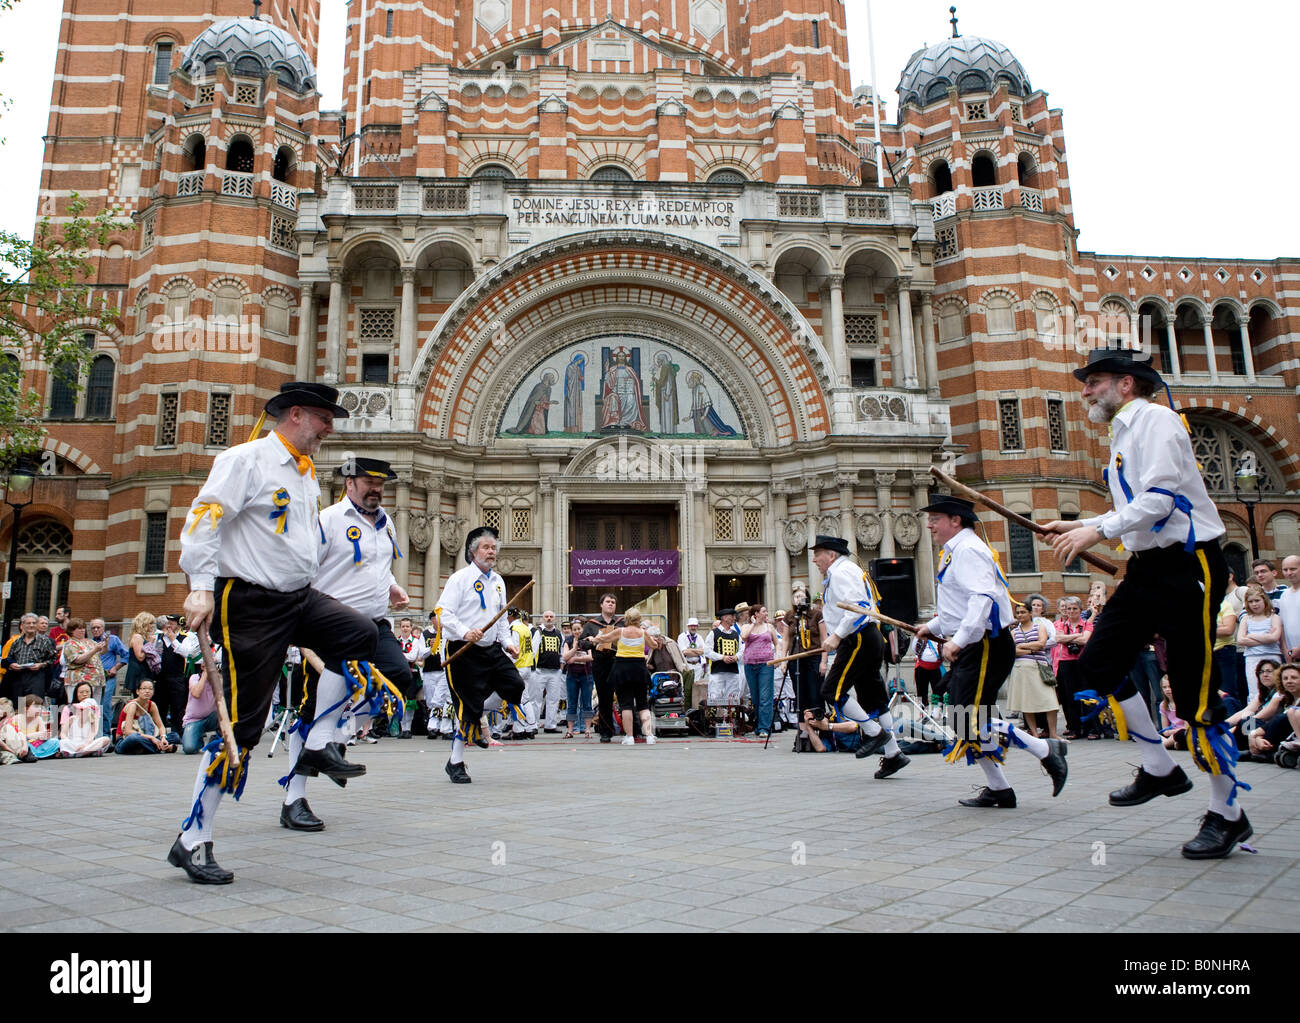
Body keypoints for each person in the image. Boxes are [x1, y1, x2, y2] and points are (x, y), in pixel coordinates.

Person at [169, 381, 380, 883]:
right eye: (325, 420)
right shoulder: (247, 460)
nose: (330, 430)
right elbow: (204, 518)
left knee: (362, 635)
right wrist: (200, 585)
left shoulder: (305, 474)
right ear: (299, 415)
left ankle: (316, 741)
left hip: (296, 599)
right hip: (250, 603)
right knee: (240, 726)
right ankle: (193, 838)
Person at [1046, 347, 1250, 858]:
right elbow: (1139, 506)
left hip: (1189, 568)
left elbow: (1161, 498)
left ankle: (1227, 815)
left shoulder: (1156, 420)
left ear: (1126, 385)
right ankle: (1161, 769)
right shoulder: (1123, 432)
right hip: (1147, 569)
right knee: (1095, 665)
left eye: (1094, 381)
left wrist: (1097, 529)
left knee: (1193, 696)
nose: (1086, 390)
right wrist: (1082, 525)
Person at [289, 455, 413, 829]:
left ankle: (336, 739)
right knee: (309, 716)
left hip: (374, 624)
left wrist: (391, 586)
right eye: (368, 482)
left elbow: (379, 565)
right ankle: (294, 799)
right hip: (331, 625)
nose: (376, 489)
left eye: (380, 484)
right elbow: (304, 570)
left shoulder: (387, 523)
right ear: (348, 483)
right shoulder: (327, 521)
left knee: (398, 677)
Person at [916, 500, 1067, 806]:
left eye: (935, 519)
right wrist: (931, 625)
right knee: (965, 720)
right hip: (975, 642)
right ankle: (1000, 789)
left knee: (967, 719)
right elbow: (960, 605)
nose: (929, 525)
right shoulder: (956, 551)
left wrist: (957, 640)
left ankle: (1045, 749)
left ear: (955, 520)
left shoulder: (969, 550)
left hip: (984, 643)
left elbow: (982, 599)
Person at [434, 525, 528, 783]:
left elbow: (499, 618)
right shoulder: (459, 579)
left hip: (491, 650)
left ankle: (478, 714)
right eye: (486, 547)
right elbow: (443, 613)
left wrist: (508, 641)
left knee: (515, 684)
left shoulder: (498, 581)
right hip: (462, 652)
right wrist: (466, 632)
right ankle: (456, 763)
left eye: (494, 547)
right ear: (473, 551)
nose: (491, 552)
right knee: (466, 707)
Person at [812, 535, 910, 780]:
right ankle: (893, 754)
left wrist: (836, 637)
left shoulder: (842, 572)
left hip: (857, 636)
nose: (814, 559)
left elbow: (857, 608)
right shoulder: (847, 571)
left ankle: (873, 732)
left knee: (831, 691)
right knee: (874, 697)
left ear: (832, 555)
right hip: (868, 637)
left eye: (818, 553)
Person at [598, 608, 660, 745]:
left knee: (626, 705)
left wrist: (594, 638)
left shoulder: (620, 631)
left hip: (622, 668)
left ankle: (630, 736)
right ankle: (649, 736)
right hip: (639, 668)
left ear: (626, 618)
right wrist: (656, 642)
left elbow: (604, 638)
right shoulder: (643, 633)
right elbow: (654, 645)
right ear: (639, 619)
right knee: (643, 704)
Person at [1007, 601, 1060, 740]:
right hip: (1021, 670)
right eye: (1017, 613)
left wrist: (1022, 646)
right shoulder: (1014, 632)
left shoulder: (1039, 627)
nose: (1020, 615)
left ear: (1030, 613)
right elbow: (1012, 651)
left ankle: (1053, 733)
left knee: (1050, 702)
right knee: (1027, 704)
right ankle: (1034, 734)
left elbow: (1041, 643)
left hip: (1039, 668)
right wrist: (1031, 648)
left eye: (1023, 612)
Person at [779, 587, 824, 744]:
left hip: (813, 656)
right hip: (796, 658)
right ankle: (803, 731)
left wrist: (824, 661)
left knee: (815, 693)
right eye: (796, 596)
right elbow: (785, 639)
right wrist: (784, 660)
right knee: (800, 694)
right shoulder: (790, 616)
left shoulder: (816, 615)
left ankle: (818, 727)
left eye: (802, 596)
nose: (799, 599)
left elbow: (824, 639)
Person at [580, 594, 622, 742]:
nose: (611, 604)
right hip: (601, 664)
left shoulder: (621, 623)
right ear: (601, 605)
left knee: (625, 697)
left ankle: (632, 731)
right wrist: (593, 642)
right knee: (604, 699)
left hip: (619, 663)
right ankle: (606, 732)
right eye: (608, 602)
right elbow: (582, 644)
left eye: (613, 602)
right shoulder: (592, 624)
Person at [1053, 598, 1093, 739]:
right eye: (1069, 609)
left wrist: (1068, 637)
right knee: (1069, 697)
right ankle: (1073, 728)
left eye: (1074, 608)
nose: (1071, 611)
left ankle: (1090, 729)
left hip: (1082, 662)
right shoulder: (1060, 625)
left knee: (1086, 696)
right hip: (1066, 662)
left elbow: (1085, 640)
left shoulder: (1087, 624)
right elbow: (1057, 639)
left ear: (1080, 610)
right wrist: (1077, 635)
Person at [1236, 584, 1283, 696]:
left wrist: (1251, 636)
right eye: (1251, 601)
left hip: (1272, 656)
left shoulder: (1274, 617)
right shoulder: (1246, 619)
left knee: (1276, 689)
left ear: (1264, 600)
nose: (1254, 604)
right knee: (1255, 691)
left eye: (1257, 600)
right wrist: (1265, 637)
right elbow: (1240, 640)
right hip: (1252, 658)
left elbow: (1274, 638)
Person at [1, 613, 57, 707]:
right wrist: (11, 664)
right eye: (28, 623)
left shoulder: (45, 641)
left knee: (34, 705)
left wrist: (41, 664)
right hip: (19, 677)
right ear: (22, 625)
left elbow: (53, 658)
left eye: (34, 623)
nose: (31, 625)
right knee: (19, 706)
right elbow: (8, 658)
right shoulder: (16, 642)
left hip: (36, 677)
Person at [741, 604, 778, 738]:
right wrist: (753, 624)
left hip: (766, 664)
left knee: (765, 696)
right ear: (756, 614)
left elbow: (777, 643)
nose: (766, 613)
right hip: (750, 664)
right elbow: (744, 637)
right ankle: (757, 724)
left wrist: (778, 659)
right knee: (755, 697)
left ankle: (764, 727)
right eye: (763, 611)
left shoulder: (769, 627)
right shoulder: (746, 627)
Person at [89, 619, 129, 738]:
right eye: (93, 628)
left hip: (108, 678)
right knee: (93, 707)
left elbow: (126, 655)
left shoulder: (113, 639)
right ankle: (94, 734)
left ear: (103, 628)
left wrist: (115, 668)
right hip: (93, 679)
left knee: (105, 706)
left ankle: (106, 735)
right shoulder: (89, 642)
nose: (96, 630)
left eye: (98, 627)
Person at [115, 679, 179, 754]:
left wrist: (163, 738)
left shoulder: (152, 705)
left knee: (175, 736)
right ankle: (161, 748)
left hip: (144, 737)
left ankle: (147, 748)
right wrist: (151, 738)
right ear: (137, 691)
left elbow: (161, 726)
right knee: (134, 738)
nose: (147, 691)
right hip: (124, 740)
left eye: (150, 689)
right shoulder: (132, 706)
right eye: (144, 688)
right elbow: (128, 732)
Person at [531, 611, 566, 733]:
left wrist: (561, 668)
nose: (549, 619)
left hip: (555, 672)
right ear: (542, 618)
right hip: (540, 671)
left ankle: (550, 725)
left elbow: (562, 652)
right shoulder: (538, 632)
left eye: (551, 617)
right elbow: (533, 651)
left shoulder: (559, 634)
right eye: (546, 616)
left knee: (553, 699)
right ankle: (533, 725)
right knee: (536, 699)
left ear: (555, 619)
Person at [703, 608, 744, 710]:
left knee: (732, 697)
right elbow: (707, 651)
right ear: (725, 618)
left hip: (733, 671)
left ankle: (731, 719)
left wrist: (736, 657)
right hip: (718, 671)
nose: (734, 618)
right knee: (715, 696)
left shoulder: (735, 634)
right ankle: (715, 719)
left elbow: (741, 650)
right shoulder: (714, 633)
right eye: (732, 616)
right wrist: (722, 657)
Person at [421, 610, 453, 740]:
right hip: (443, 670)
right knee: (437, 699)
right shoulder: (433, 634)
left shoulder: (449, 634)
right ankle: (433, 727)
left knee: (448, 698)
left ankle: (446, 728)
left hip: (448, 669)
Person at [59, 681, 110, 757]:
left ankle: (80, 753)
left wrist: (86, 744)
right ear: (76, 694)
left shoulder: (94, 709)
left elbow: (93, 732)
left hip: (87, 742)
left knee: (106, 740)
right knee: (62, 742)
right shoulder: (68, 709)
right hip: (72, 742)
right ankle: (89, 751)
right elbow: (63, 733)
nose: (85, 694)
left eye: (87, 692)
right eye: (81, 692)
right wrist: (67, 740)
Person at [60, 618, 105, 701]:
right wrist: (94, 649)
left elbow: (101, 652)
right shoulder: (70, 644)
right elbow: (78, 659)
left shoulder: (90, 642)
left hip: (96, 680)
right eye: (79, 628)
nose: (82, 630)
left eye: (83, 628)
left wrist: (105, 643)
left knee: (94, 707)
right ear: (72, 630)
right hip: (79, 680)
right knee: (78, 706)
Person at [181, 661, 221, 755]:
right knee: (189, 748)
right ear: (202, 667)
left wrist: (217, 676)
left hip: (212, 718)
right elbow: (196, 693)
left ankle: (217, 739)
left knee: (225, 715)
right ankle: (198, 739)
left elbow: (225, 694)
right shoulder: (195, 677)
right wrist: (205, 675)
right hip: (194, 720)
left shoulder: (218, 679)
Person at [123, 611, 159, 698]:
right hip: (138, 673)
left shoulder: (142, 637)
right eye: (150, 623)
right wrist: (150, 643)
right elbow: (140, 657)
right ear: (144, 624)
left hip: (144, 672)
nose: (152, 626)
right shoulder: (137, 637)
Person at [676, 616, 706, 707]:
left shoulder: (699, 637)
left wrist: (691, 651)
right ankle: (687, 708)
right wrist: (698, 651)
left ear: (697, 626)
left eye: (695, 626)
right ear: (688, 626)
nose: (693, 627)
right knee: (687, 688)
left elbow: (704, 651)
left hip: (698, 666)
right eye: (691, 625)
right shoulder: (682, 636)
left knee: (697, 688)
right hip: (687, 665)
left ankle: (696, 708)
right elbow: (684, 652)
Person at [1277, 555, 1300, 662]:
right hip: (1292, 655)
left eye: (1293, 569)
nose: (1289, 573)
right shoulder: (1284, 595)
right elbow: (1281, 624)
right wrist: (1285, 650)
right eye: (1285, 570)